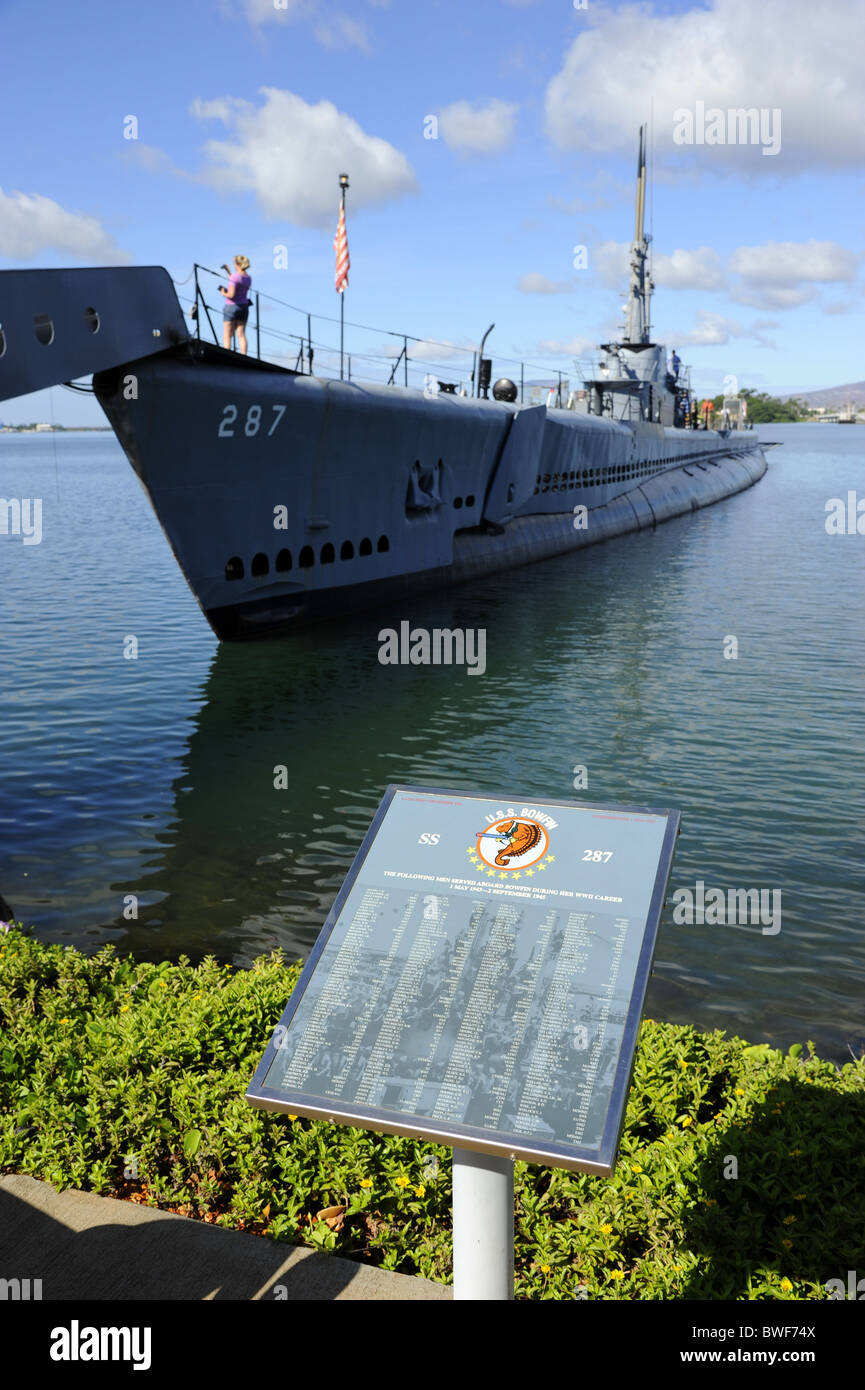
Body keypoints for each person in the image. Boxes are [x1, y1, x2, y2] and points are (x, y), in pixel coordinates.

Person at [219, 255, 251, 354]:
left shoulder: (235, 277)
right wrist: (229, 272)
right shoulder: (248, 278)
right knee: (241, 335)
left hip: (231, 307)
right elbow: (237, 280)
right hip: (244, 307)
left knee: (227, 335)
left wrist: (223, 292)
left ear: (237, 264)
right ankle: (244, 356)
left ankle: (227, 356)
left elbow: (231, 294)